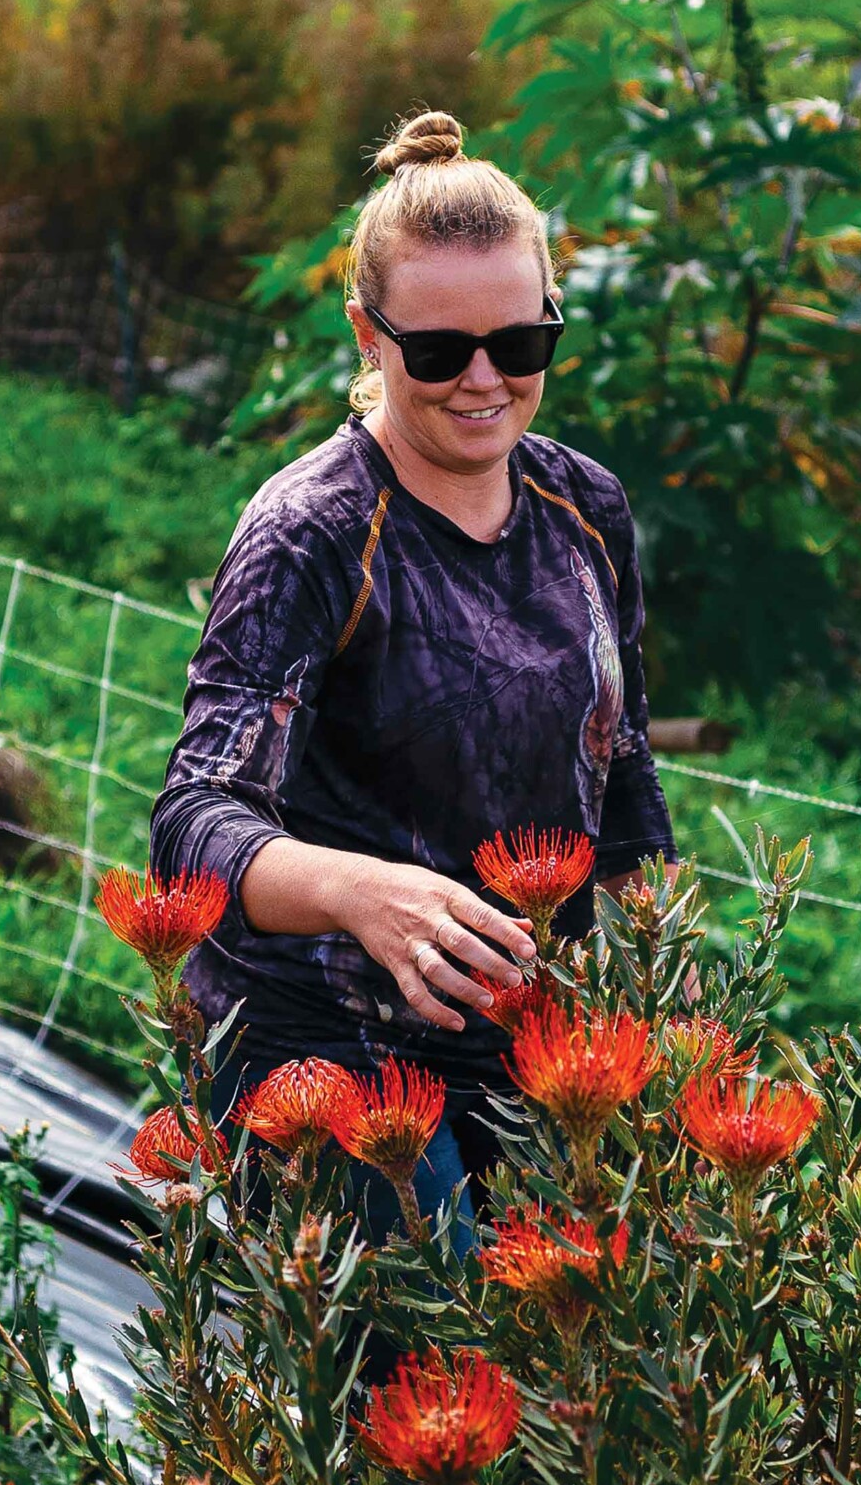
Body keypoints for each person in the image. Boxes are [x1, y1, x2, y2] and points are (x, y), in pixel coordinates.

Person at [150, 111, 679, 1250]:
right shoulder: (315, 533)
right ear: (368, 335)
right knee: (429, 1360)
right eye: (439, 351)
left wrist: (658, 975)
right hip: (324, 1041)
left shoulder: (585, 508)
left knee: (564, 1368)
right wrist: (360, 891)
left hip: (519, 1032)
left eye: (519, 343)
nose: (482, 380)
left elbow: (623, 767)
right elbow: (192, 821)